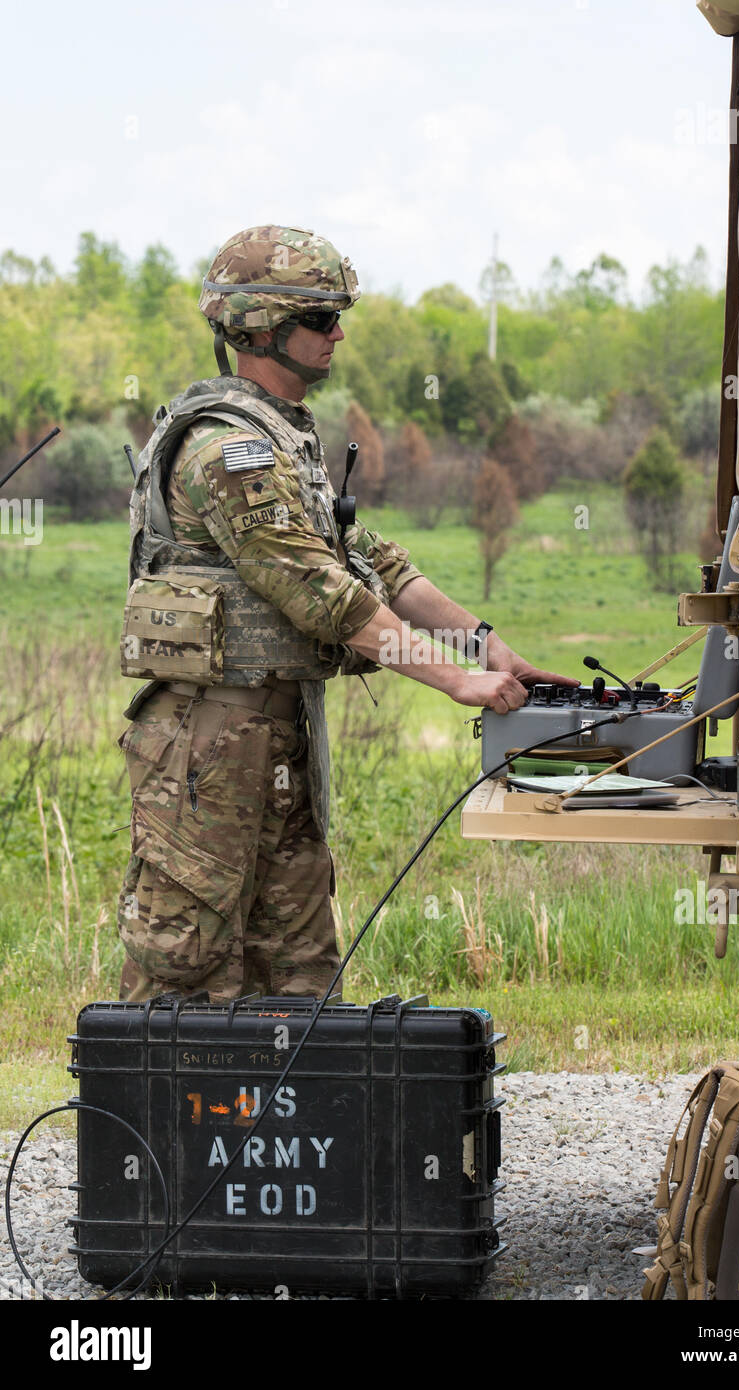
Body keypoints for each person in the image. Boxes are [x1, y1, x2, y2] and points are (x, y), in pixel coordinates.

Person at [116, 223, 576, 1004]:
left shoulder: (286, 442)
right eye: (319, 319)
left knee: (296, 960)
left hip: (278, 734)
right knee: (187, 955)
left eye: (337, 317)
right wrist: (457, 682)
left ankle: (286, 1120)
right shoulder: (227, 451)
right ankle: (163, 1124)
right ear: (260, 327)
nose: (338, 334)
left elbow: (373, 562)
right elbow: (319, 592)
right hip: (207, 742)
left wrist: (488, 646)